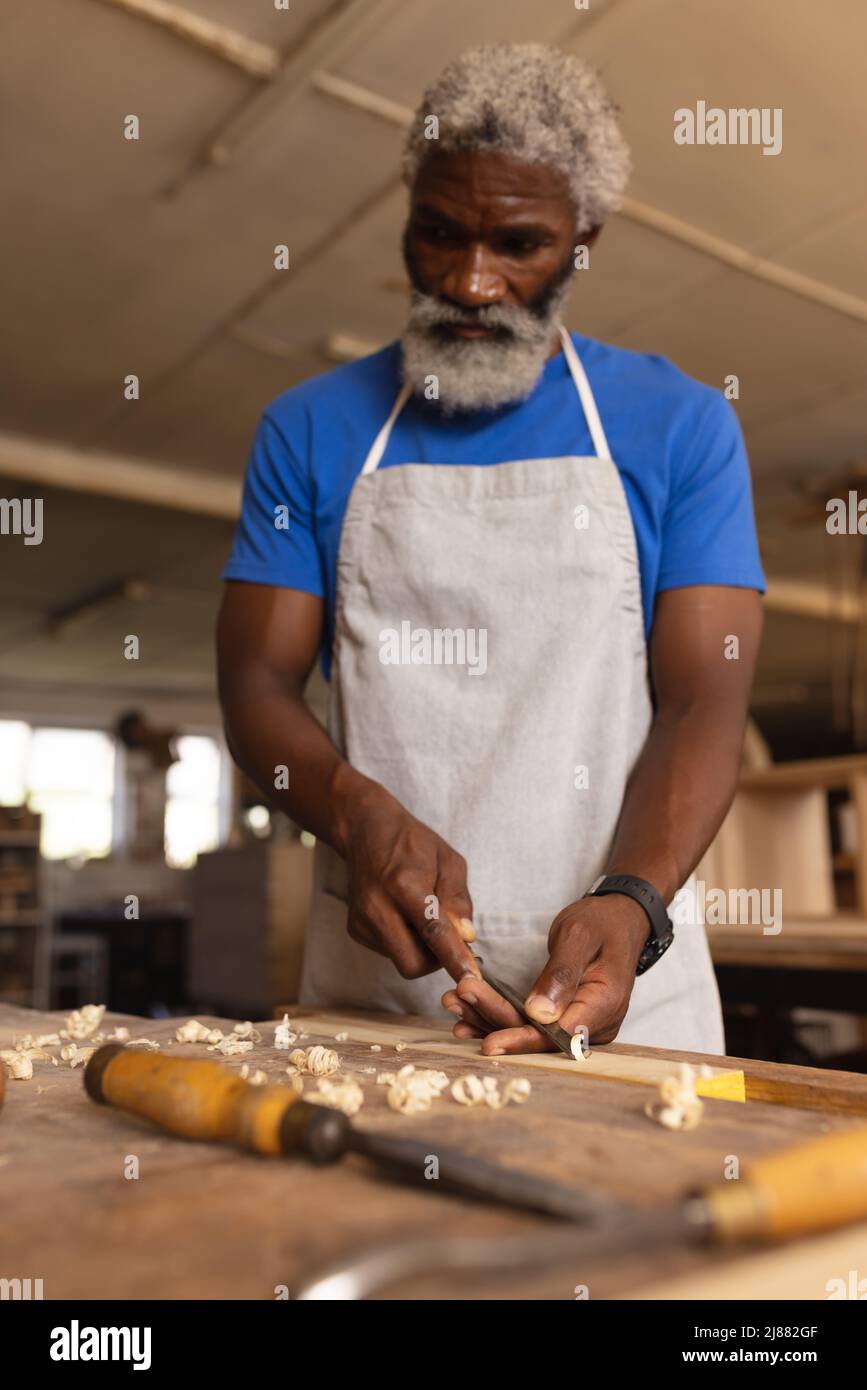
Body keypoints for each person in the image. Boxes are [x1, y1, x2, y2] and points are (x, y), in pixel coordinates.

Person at [218, 43, 765, 1057]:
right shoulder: (309, 428)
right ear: (409, 212)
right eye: (439, 235)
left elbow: (706, 701)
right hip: (387, 994)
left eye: (519, 244)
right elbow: (255, 682)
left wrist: (634, 902)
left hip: (625, 984)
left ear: (583, 239)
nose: (471, 281)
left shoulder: (678, 426)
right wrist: (350, 808)